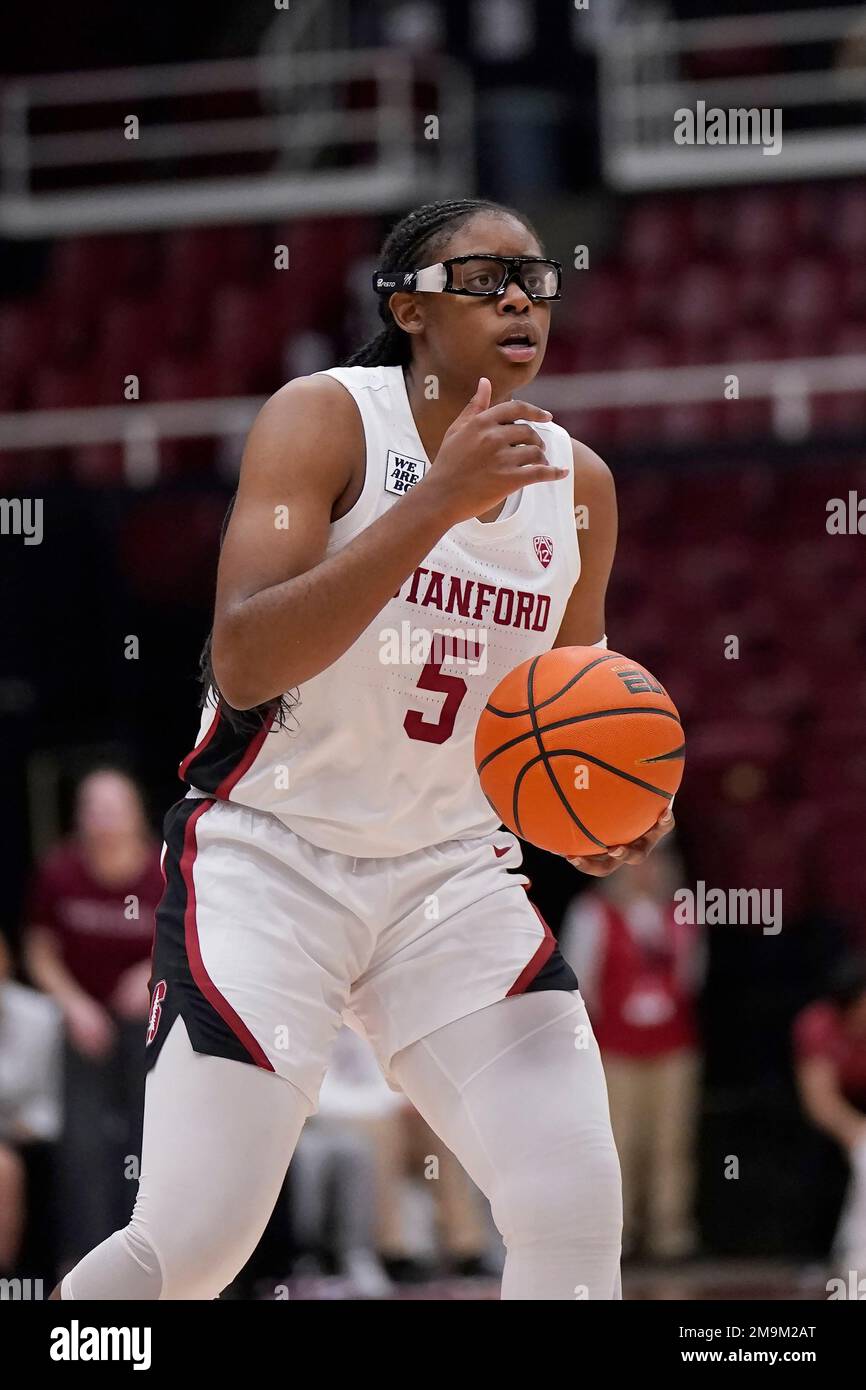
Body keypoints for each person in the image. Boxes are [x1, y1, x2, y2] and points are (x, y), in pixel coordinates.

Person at [56, 197, 673, 1302]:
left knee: (573, 1208)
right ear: (408, 310)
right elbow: (244, 659)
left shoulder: (579, 487)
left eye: (536, 280)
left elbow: (565, 700)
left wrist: (598, 812)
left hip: (446, 877)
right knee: (190, 1244)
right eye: (486, 280)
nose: (522, 299)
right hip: (270, 859)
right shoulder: (326, 419)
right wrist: (435, 503)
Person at [25, 768, 162, 1267]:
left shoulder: (162, 871)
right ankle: (82, 1261)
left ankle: (146, 1258)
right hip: (82, 1023)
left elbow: (193, 940)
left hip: (149, 1022)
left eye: (114, 808)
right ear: (79, 817)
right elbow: (39, 952)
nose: (103, 819)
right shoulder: (59, 872)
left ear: (136, 815)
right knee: (82, 1145)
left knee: (147, 1140)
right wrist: (75, 1004)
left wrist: (149, 972)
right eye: (93, 808)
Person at [559, 841, 703, 1260]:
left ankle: (670, 1234)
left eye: (657, 862)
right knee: (618, 1143)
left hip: (673, 1045)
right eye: (639, 864)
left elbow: (692, 975)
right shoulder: (591, 914)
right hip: (615, 1049)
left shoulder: (683, 912)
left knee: (671, 1142)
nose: (647, 872)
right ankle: (615, 1236)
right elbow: (580, 982)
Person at [793, 956, 866, 1281]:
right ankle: (818, 1253)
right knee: (820, 1158)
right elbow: (819, 1100)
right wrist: (857, 1134)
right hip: (835, 1109)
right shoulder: (818, 1023)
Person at [0, 930, 62, 1276]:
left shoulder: (41, 1017)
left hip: (24, 1132)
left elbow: (48, 1106)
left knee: (4, 1169)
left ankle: (6, 1278)